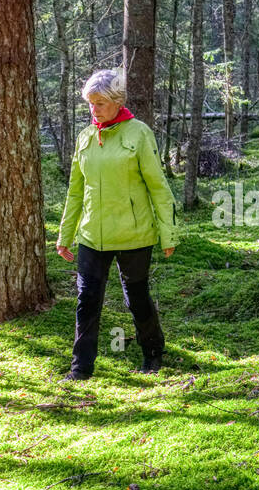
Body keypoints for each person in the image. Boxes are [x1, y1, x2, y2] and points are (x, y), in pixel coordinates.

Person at [56, 69, 178, 380]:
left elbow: (158, 186)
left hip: (134, 235)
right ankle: (80, 368)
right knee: (87, 301)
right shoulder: (85, 137)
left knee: (135, 297)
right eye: (90, 103)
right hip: (91, 236)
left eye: (99, 103)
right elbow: (75, 191)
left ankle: (153, 354)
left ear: (116, 101)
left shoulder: (138, 133)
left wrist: (168, 234)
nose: (93, 109)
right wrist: (64, 235)